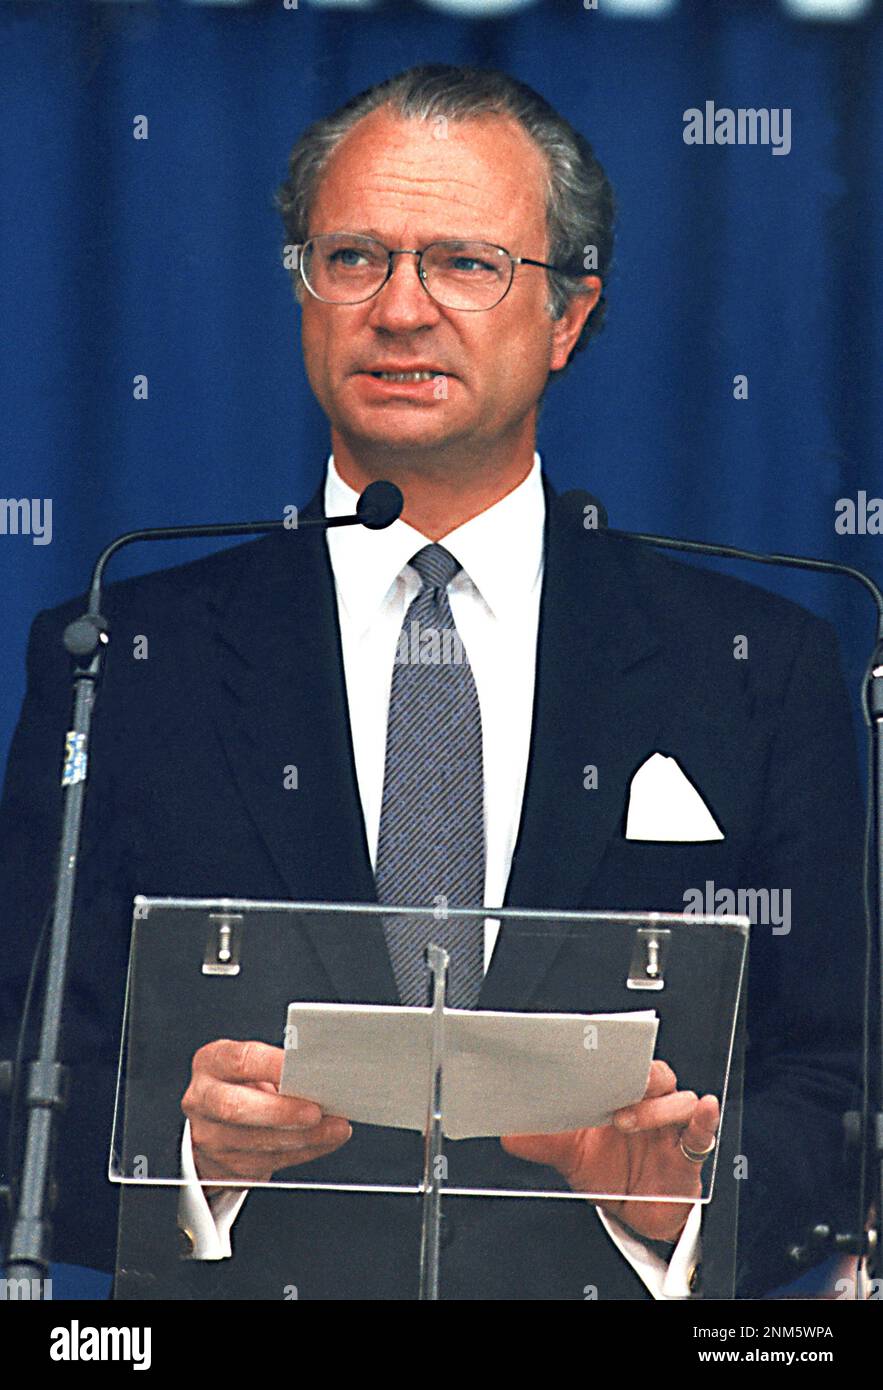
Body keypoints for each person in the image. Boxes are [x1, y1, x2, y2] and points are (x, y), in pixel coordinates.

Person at [0, 65, 865, 1301]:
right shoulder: (123, 655)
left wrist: (691, 1181)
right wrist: (182, 1149)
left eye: (464, 263)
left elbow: (840, 1082)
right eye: (353, 256)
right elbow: (24, 1084)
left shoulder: (752, 662)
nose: (399, 310)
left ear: (568, 316)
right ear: (304, 290)